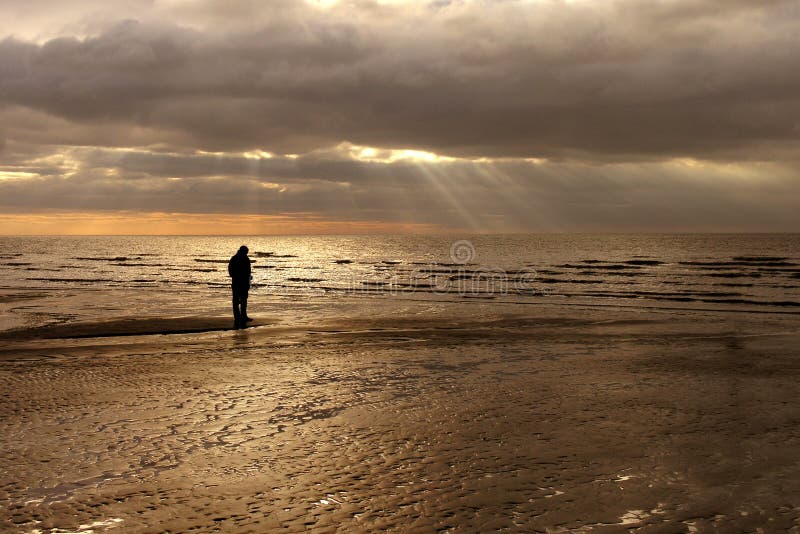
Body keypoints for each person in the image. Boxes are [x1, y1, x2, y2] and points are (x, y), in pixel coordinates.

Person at [228, 245, 252, 328]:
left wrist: (248, 281)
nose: (246, 253)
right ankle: (238, 317)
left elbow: (248, 272)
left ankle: (243, 316)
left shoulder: (245, 258)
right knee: (236, 300)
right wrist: (237, 276)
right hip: (237, 282)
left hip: (243, 282)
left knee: (243, 300)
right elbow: (231, 271)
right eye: (246, 252)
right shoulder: (235, 259)